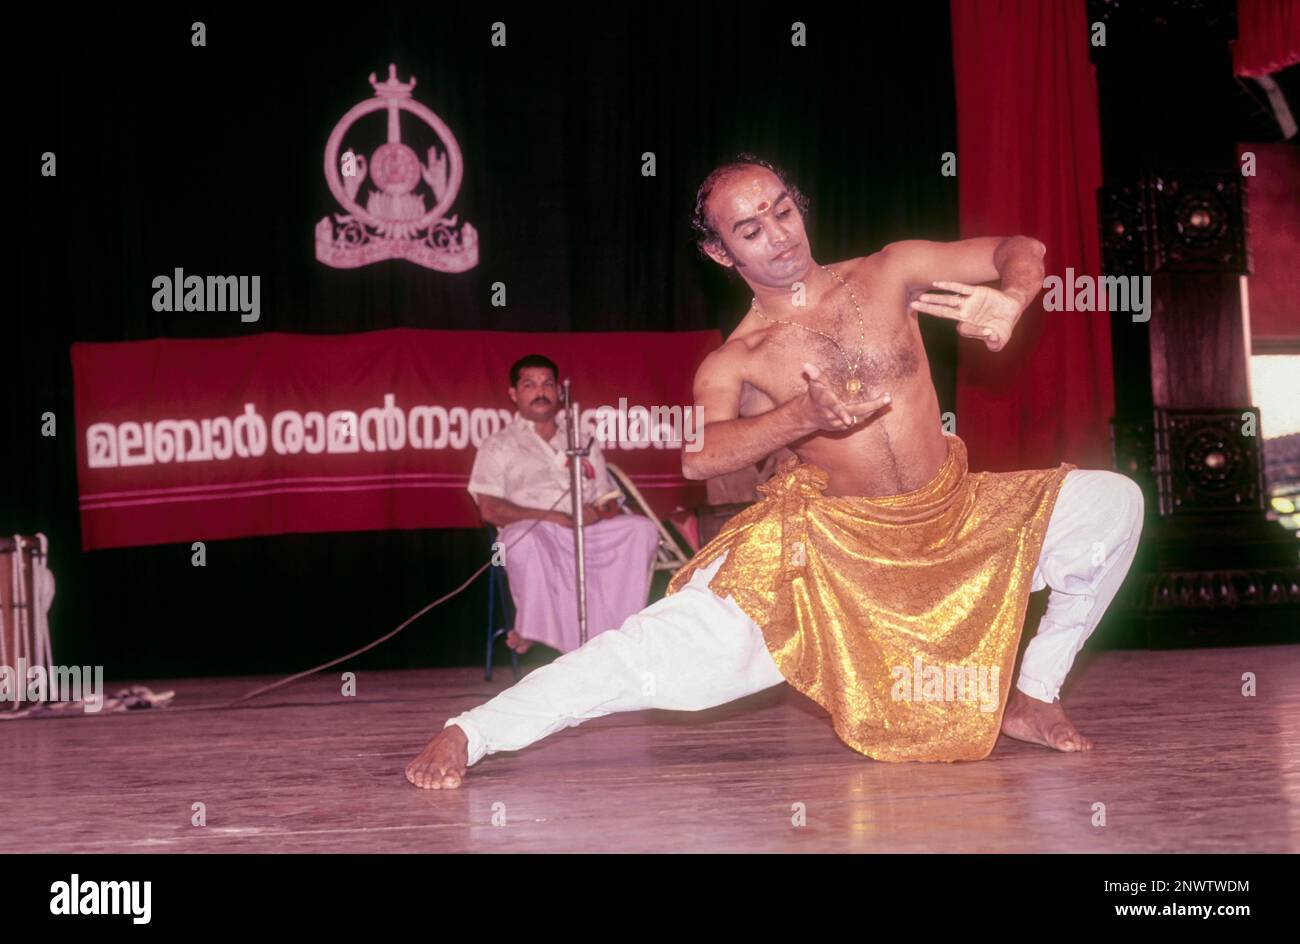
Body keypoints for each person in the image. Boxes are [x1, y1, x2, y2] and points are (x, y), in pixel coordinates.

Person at [406, 155, 1143, 789]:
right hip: (833, 556)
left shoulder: (891, 271)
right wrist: (800, 418)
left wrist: (1012, 298)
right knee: (658, 657)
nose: (778, 238)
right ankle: (474, 731)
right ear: (723, 255)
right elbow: (701, 454)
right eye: (750, 230)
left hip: (949, 518)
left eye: (781, 213)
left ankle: (1033, 692)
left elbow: (1023, 245)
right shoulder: (738, 359)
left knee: (1112, 504)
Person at [469, 354, 662, 654]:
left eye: (548, 384)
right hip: (536, 530)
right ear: (514, 394)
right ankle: (535, 629)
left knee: (642, 530)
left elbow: (608, 499)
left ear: (559, 392)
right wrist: (551, 517)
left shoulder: (582, 439)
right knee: (524, 540)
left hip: (586, 530)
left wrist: (596, 513)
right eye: (530, 385)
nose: (540, 392)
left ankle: (616, 633)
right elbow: (489, 508)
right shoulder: (498, 444)